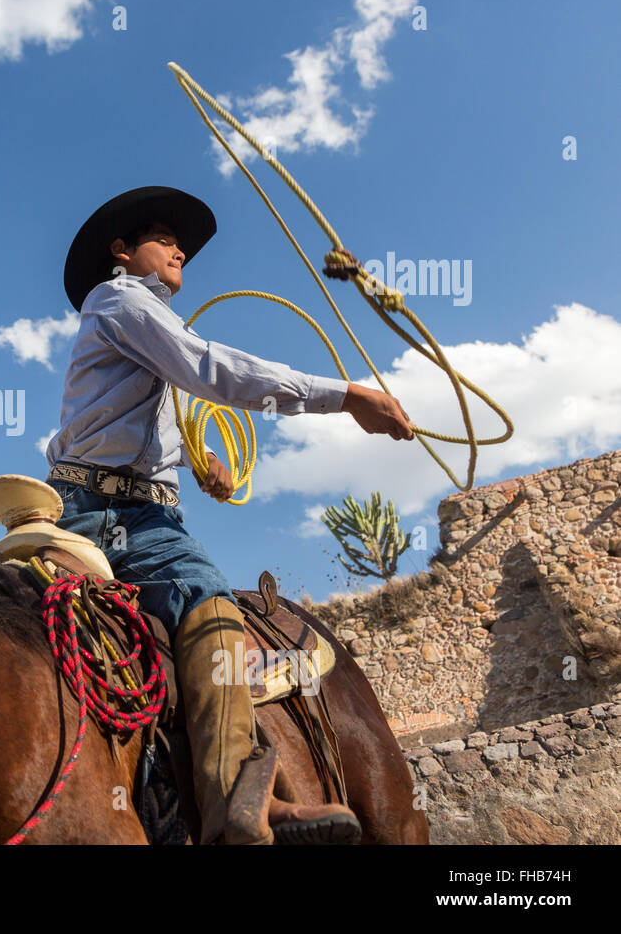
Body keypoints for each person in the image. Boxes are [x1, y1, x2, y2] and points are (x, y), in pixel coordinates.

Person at [46, 186, 414, 844]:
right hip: (122, 517)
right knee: (205, 597)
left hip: (78, 505)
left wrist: (195, 459)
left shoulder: (130, 320)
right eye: (163, 237)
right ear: (121, 253)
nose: (180, 248)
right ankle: (233, 799)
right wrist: (345, 396)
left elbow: (127, 417)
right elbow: (211, 370)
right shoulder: (123, 298)